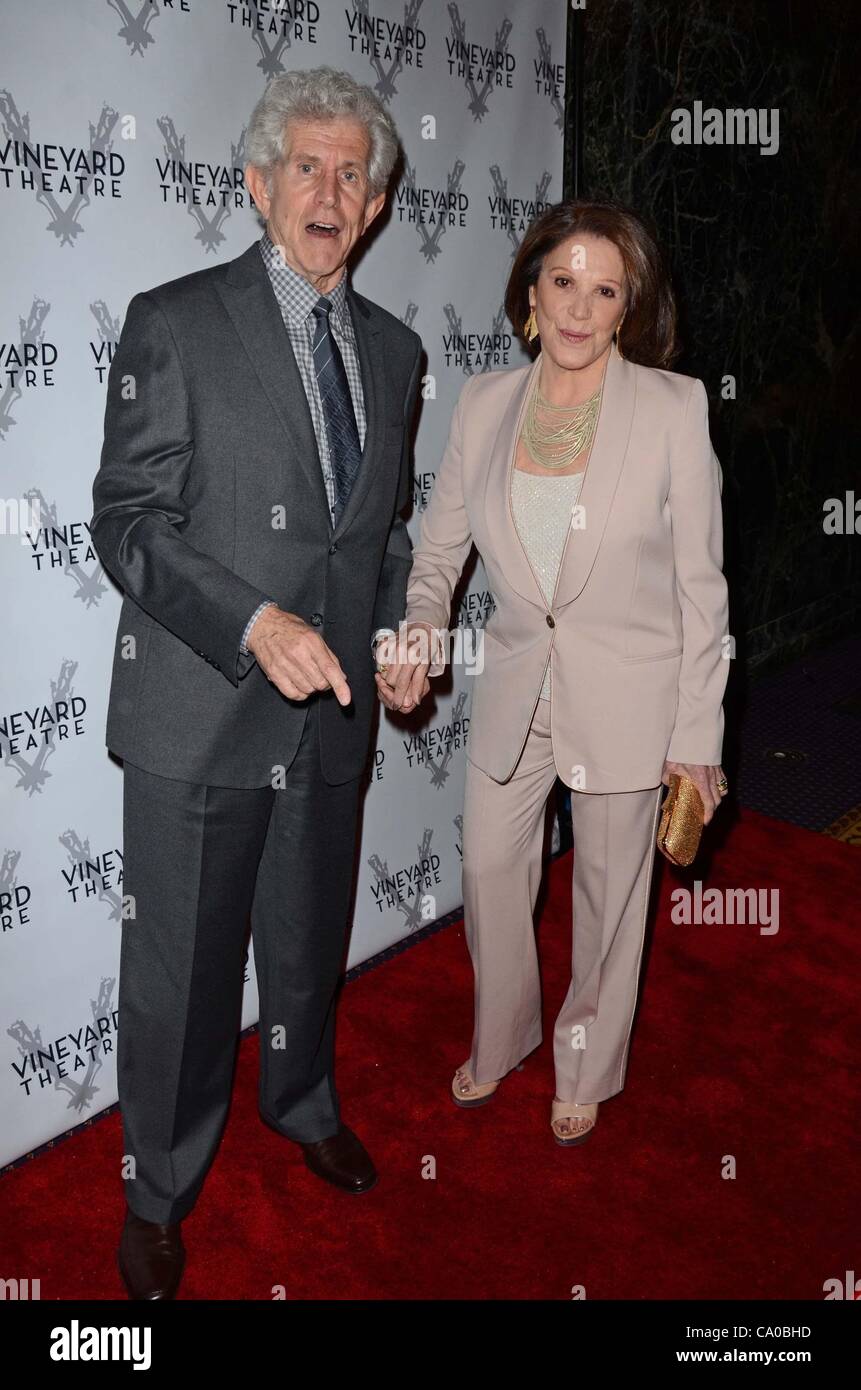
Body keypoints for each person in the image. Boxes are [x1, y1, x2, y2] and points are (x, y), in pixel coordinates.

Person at [90, 66, 422, 1299]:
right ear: (256, 183)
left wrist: (397, 630)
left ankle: (301, 1099)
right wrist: (253, 619)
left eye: (354, 173)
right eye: (307, 167)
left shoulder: (396, 353)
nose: (330, 192)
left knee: (304, 938)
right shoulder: (173, 322)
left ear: (380, 203)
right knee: (177, 974)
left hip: (329, 723)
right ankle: (159, 1189)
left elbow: (376, 537)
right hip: (197, 711)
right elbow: (125, 520)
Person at [376, 199, 729, 1147]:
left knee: (609, 892)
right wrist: (418, 631)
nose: (578, 308)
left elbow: (703, 588)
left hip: (630, 690)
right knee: (491, 866)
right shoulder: (487, 403)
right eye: (562, 282)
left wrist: (696, 736)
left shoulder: (672, 407)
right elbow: (442, 550)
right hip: (517, 684)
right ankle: (505, 1035)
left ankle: (583, 1059)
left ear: (628, 307)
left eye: (602, 290)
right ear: (530, 291)